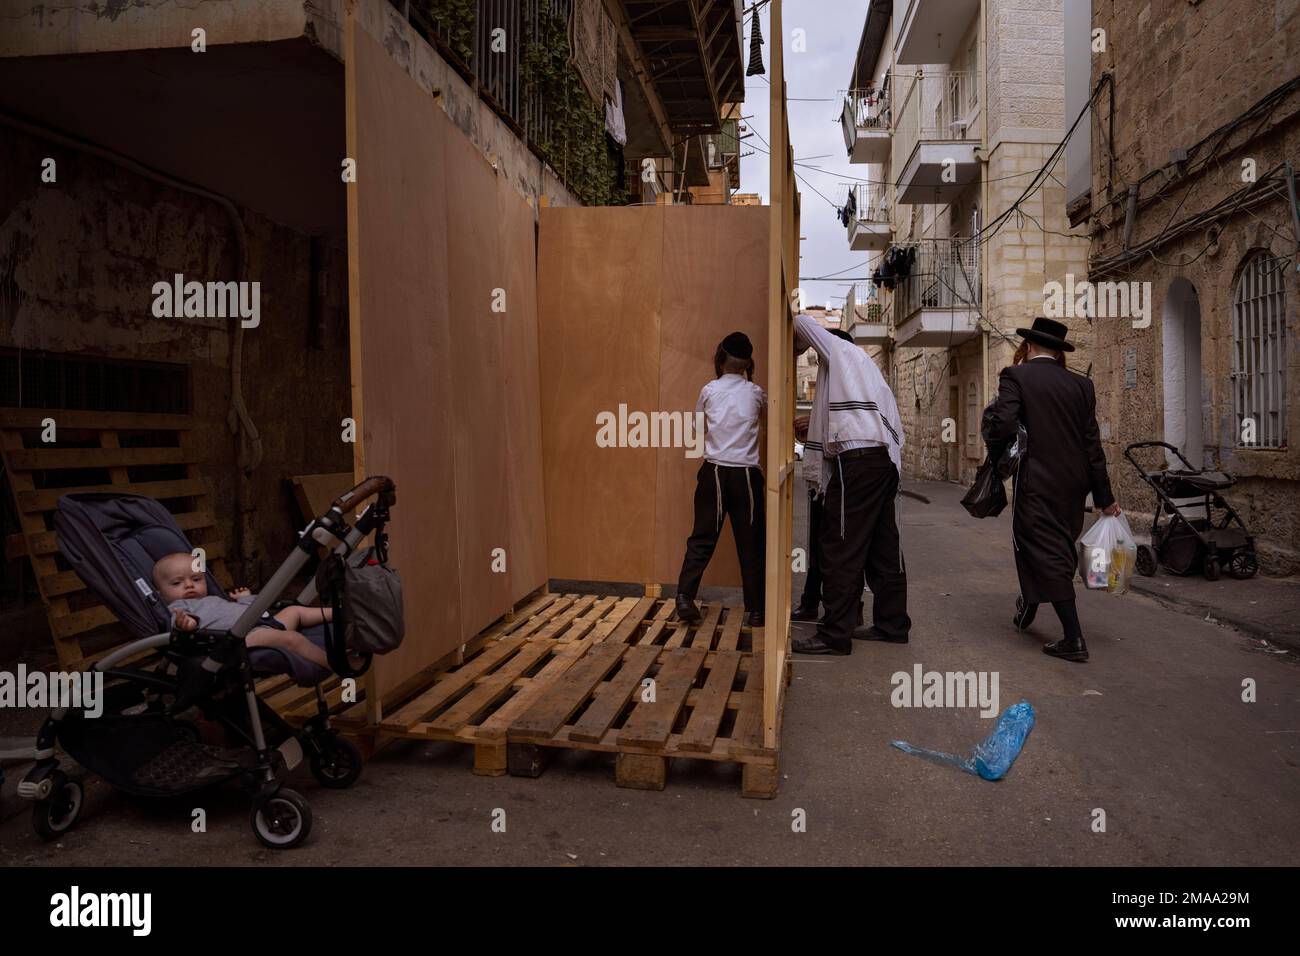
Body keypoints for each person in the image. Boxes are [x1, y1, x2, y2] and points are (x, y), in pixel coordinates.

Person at [981, 317, 1119, 663]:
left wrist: (1000, 455)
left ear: (1028, 347)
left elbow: (1005, 422)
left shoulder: (1016, 376)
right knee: (1053, 544)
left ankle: (1073, 638)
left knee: (1046, 550)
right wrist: (1105, 498)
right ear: (1059, 351)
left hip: (1037, 481)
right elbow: (1093, 446)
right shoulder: (1081, 386)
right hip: (1074, 485)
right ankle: (1029, 601)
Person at [791, 314, 908, 655]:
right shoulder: (864, 371)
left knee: (839, 547)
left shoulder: (842, 352)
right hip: (880, 462)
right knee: (882, 550)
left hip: (856, 464)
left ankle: (835, 635)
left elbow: (800, 321)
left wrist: (795, 349)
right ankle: (892, 625)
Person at [675, 332, 767, 628]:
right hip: (746, 475)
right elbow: (766, 422)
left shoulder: (709, 391)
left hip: (714, 472)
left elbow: (699, 429)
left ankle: (684, 598)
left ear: (719, 359)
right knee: (751, 544)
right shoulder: (756, 393)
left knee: (701, 538)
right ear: (747, 364)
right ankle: (756, 611)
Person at [152, 551, 332, 667]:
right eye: (177, 582)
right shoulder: (180, 606)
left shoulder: (214, 599)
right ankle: (333, 663)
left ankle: (338, 612)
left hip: (262, 622)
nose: (189, 585)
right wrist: (187, 625)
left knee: (295, 611)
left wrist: (246, 599)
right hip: (240, 640)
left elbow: (251, 610)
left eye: (196, 579)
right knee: (292, 638)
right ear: (160, 594)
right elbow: (181, 625)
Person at [792, 329, 859, 623]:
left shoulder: (847, 380)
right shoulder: (833, 378)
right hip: (827, 475)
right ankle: (813, 604)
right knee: (821, 543)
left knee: (836, 546)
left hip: (840, 474)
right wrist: (814, 424)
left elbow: (845, 422)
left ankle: (841, 614)